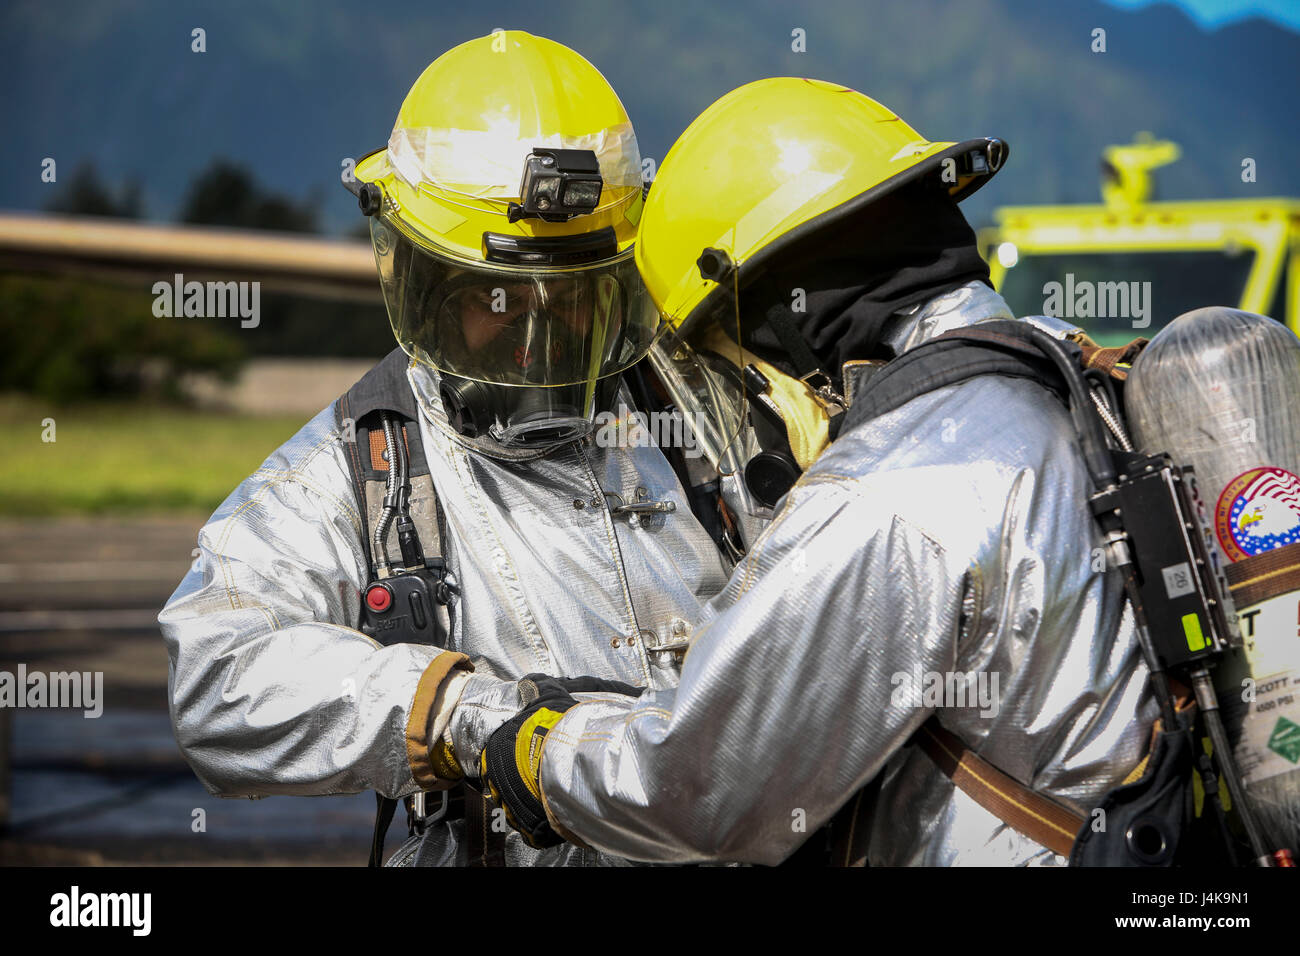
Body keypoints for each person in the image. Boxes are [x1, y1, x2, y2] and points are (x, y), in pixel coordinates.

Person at [468, 78, 1176, 866]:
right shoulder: (1079, 373)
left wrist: (537, 748)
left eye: (728, 364)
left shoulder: (889, 489)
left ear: (785, 327)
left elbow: (698, 790)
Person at [157, 31, 733, 868]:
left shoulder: (710, 424)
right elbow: (216, 676)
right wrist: (455, 713)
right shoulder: (352, 471)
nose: (540, 336)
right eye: (496, 297)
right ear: (421, 287)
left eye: (573, 298)